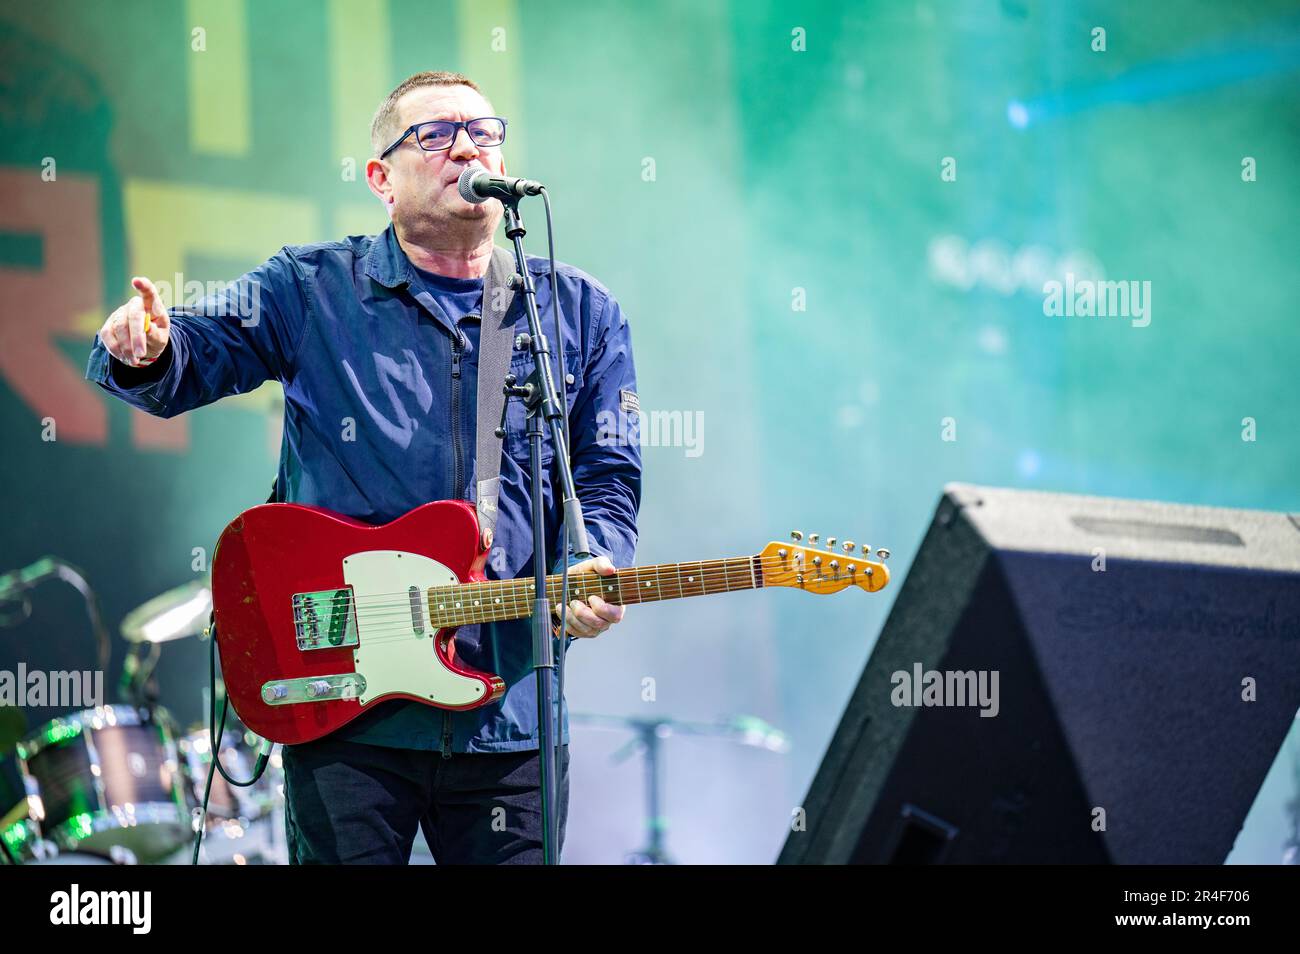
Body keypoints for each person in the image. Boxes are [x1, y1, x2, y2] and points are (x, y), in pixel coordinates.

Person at [86, 70, 641, 864]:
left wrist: (597, 559)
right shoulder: (311, 288)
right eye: (436, 134)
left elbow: (608, 475)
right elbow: (197, 352)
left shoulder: (578, 312)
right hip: (342, 702)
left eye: (483, 131)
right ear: (381, 178)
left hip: (510, 705)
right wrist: (148, 349)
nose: (466, 148)